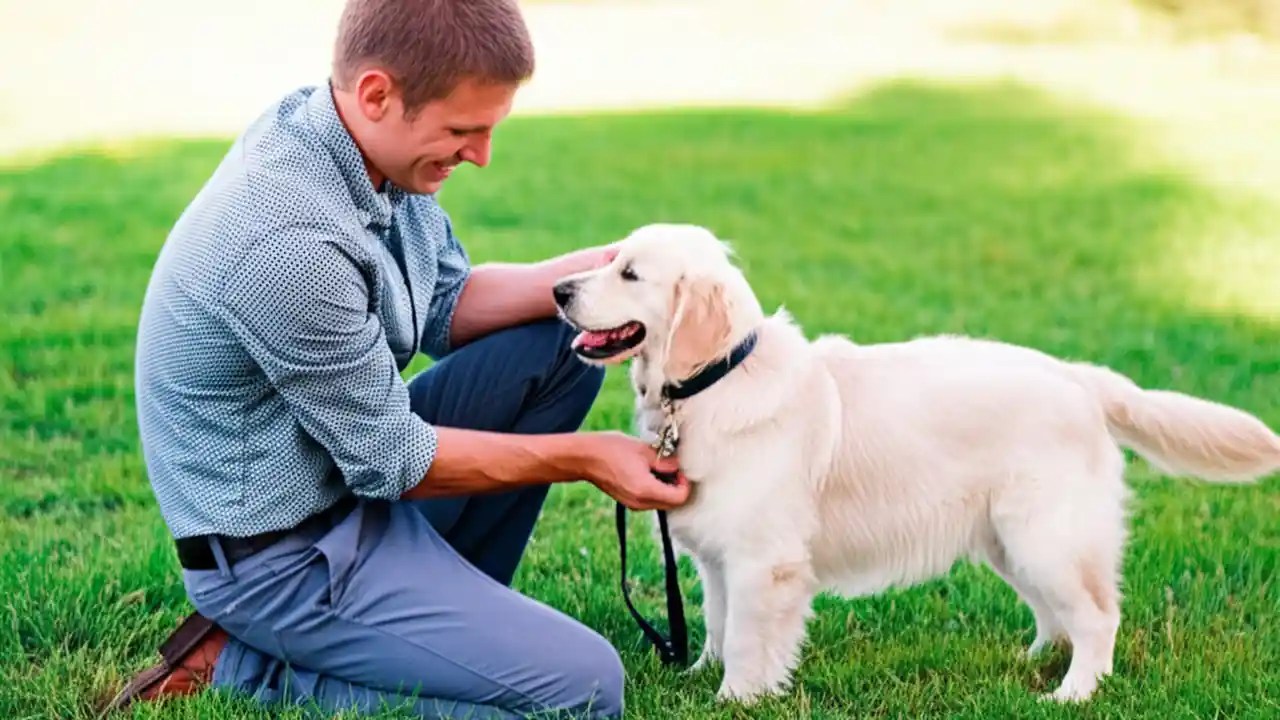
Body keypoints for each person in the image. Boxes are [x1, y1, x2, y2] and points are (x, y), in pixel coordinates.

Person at [105, 1, 690, 717]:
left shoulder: (366, 149)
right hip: (286, 557)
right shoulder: (288, 242)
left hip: (343, 478)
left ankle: (442, 621)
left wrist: (602, 272)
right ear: (378, 93)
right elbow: (395, 462)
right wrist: (586, 456)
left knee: (558, 343)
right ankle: (245, 666)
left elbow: (446, 304)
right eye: (461, 131)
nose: (480, 155)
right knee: (585, 689)